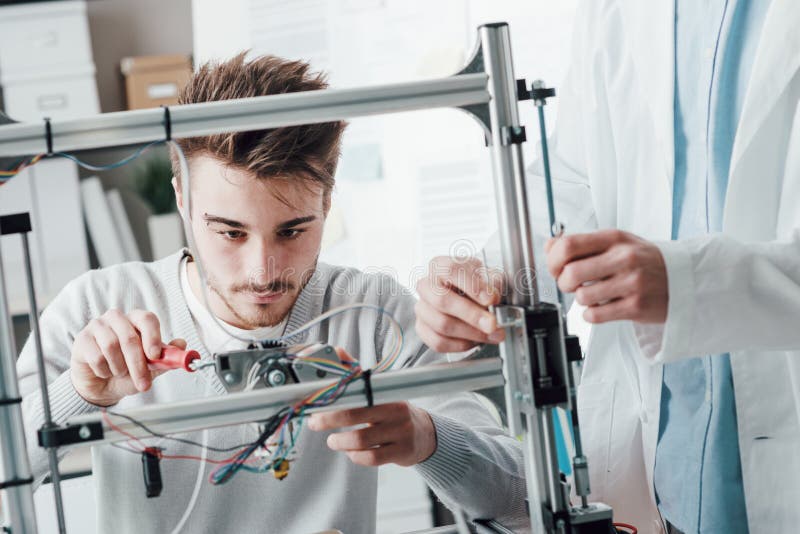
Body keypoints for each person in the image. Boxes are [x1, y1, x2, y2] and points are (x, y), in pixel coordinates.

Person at [17, 53, 529, 534]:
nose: (263, 271)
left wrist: (430, 440)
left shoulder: (374, 317)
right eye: (230, 232)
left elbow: (521, 498)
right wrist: (76, 395)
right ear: (182, 199)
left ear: (327, 202)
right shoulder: (96, 305)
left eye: (292, 231)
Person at [415, 1, 800, 533]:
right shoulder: (615, 10)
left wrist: (692, 284)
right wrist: (494, 282)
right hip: (669, 491)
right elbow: (573, 179)